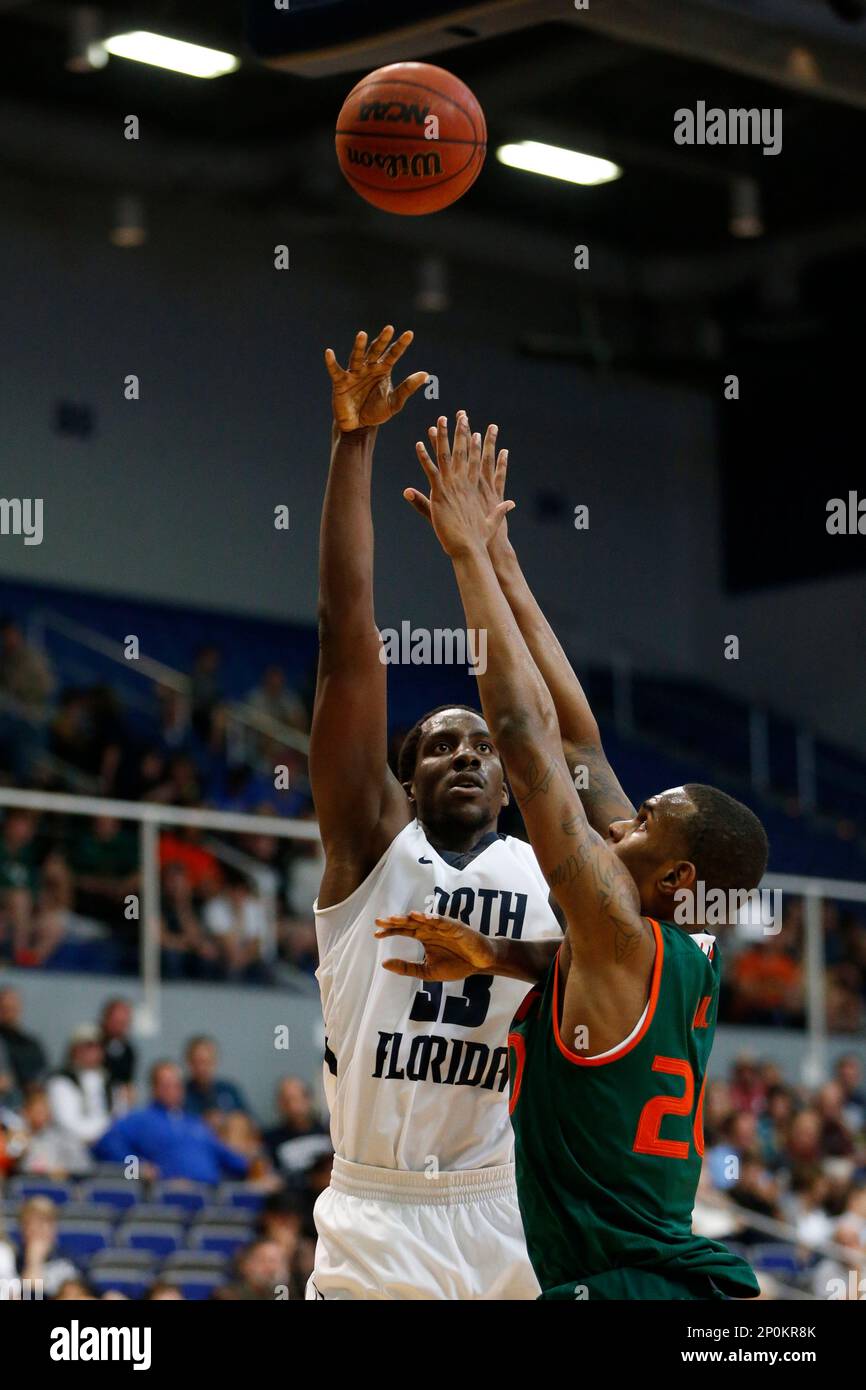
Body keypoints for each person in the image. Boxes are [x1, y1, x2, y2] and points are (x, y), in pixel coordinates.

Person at [375, 411, 765, 1300]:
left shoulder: (616, 923)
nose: (618, 822)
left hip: (629, 1288)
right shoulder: (680, 940)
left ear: (675, 879)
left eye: (638, 825)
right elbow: (581, 746)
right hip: (669, 1281)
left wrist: (467, 558)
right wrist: (508, 559)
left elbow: (523, 736)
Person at [307, 327, 562, 1301]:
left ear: (507, 781)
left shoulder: (548, 873)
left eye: (482, 745)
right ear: (402, 779)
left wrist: (495, 954)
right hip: (377, 1214)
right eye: (440, 744)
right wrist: (354, 445)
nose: (466, 752)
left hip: (499, 1206)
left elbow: (608, 964)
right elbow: (345, 641)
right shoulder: (371, 848)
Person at [92, 1061, 250, 1183]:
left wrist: (255, 1168)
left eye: (176, 1085)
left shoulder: (196, 1123)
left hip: (210, 1198)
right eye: (166, 1085)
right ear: (154, 1088)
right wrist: (137, 1168)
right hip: (166, 1199)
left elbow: (226, 1156)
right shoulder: (140, 1119)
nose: (172, 1090)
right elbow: (105, 1146)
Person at [46, 1024, 111, 1174]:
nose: (91, 1052)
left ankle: (131, 1185)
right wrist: (98, 1136)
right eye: (86, 1047)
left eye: (96, 1047)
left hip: (106, 1145)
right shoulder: (61, 1081)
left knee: (131, 1160)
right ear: (74, 1050)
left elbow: (118, 1117)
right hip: (71, 1146)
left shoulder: (109, 1082)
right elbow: (67, 1122)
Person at [183, 1036, 248, 1118]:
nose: (202, 1068)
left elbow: (250, 1123)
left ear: (215, 1062)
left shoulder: (229, 1089)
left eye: (206, 1062)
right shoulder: (181, 1093)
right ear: (189, 1063)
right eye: (197, 1062)